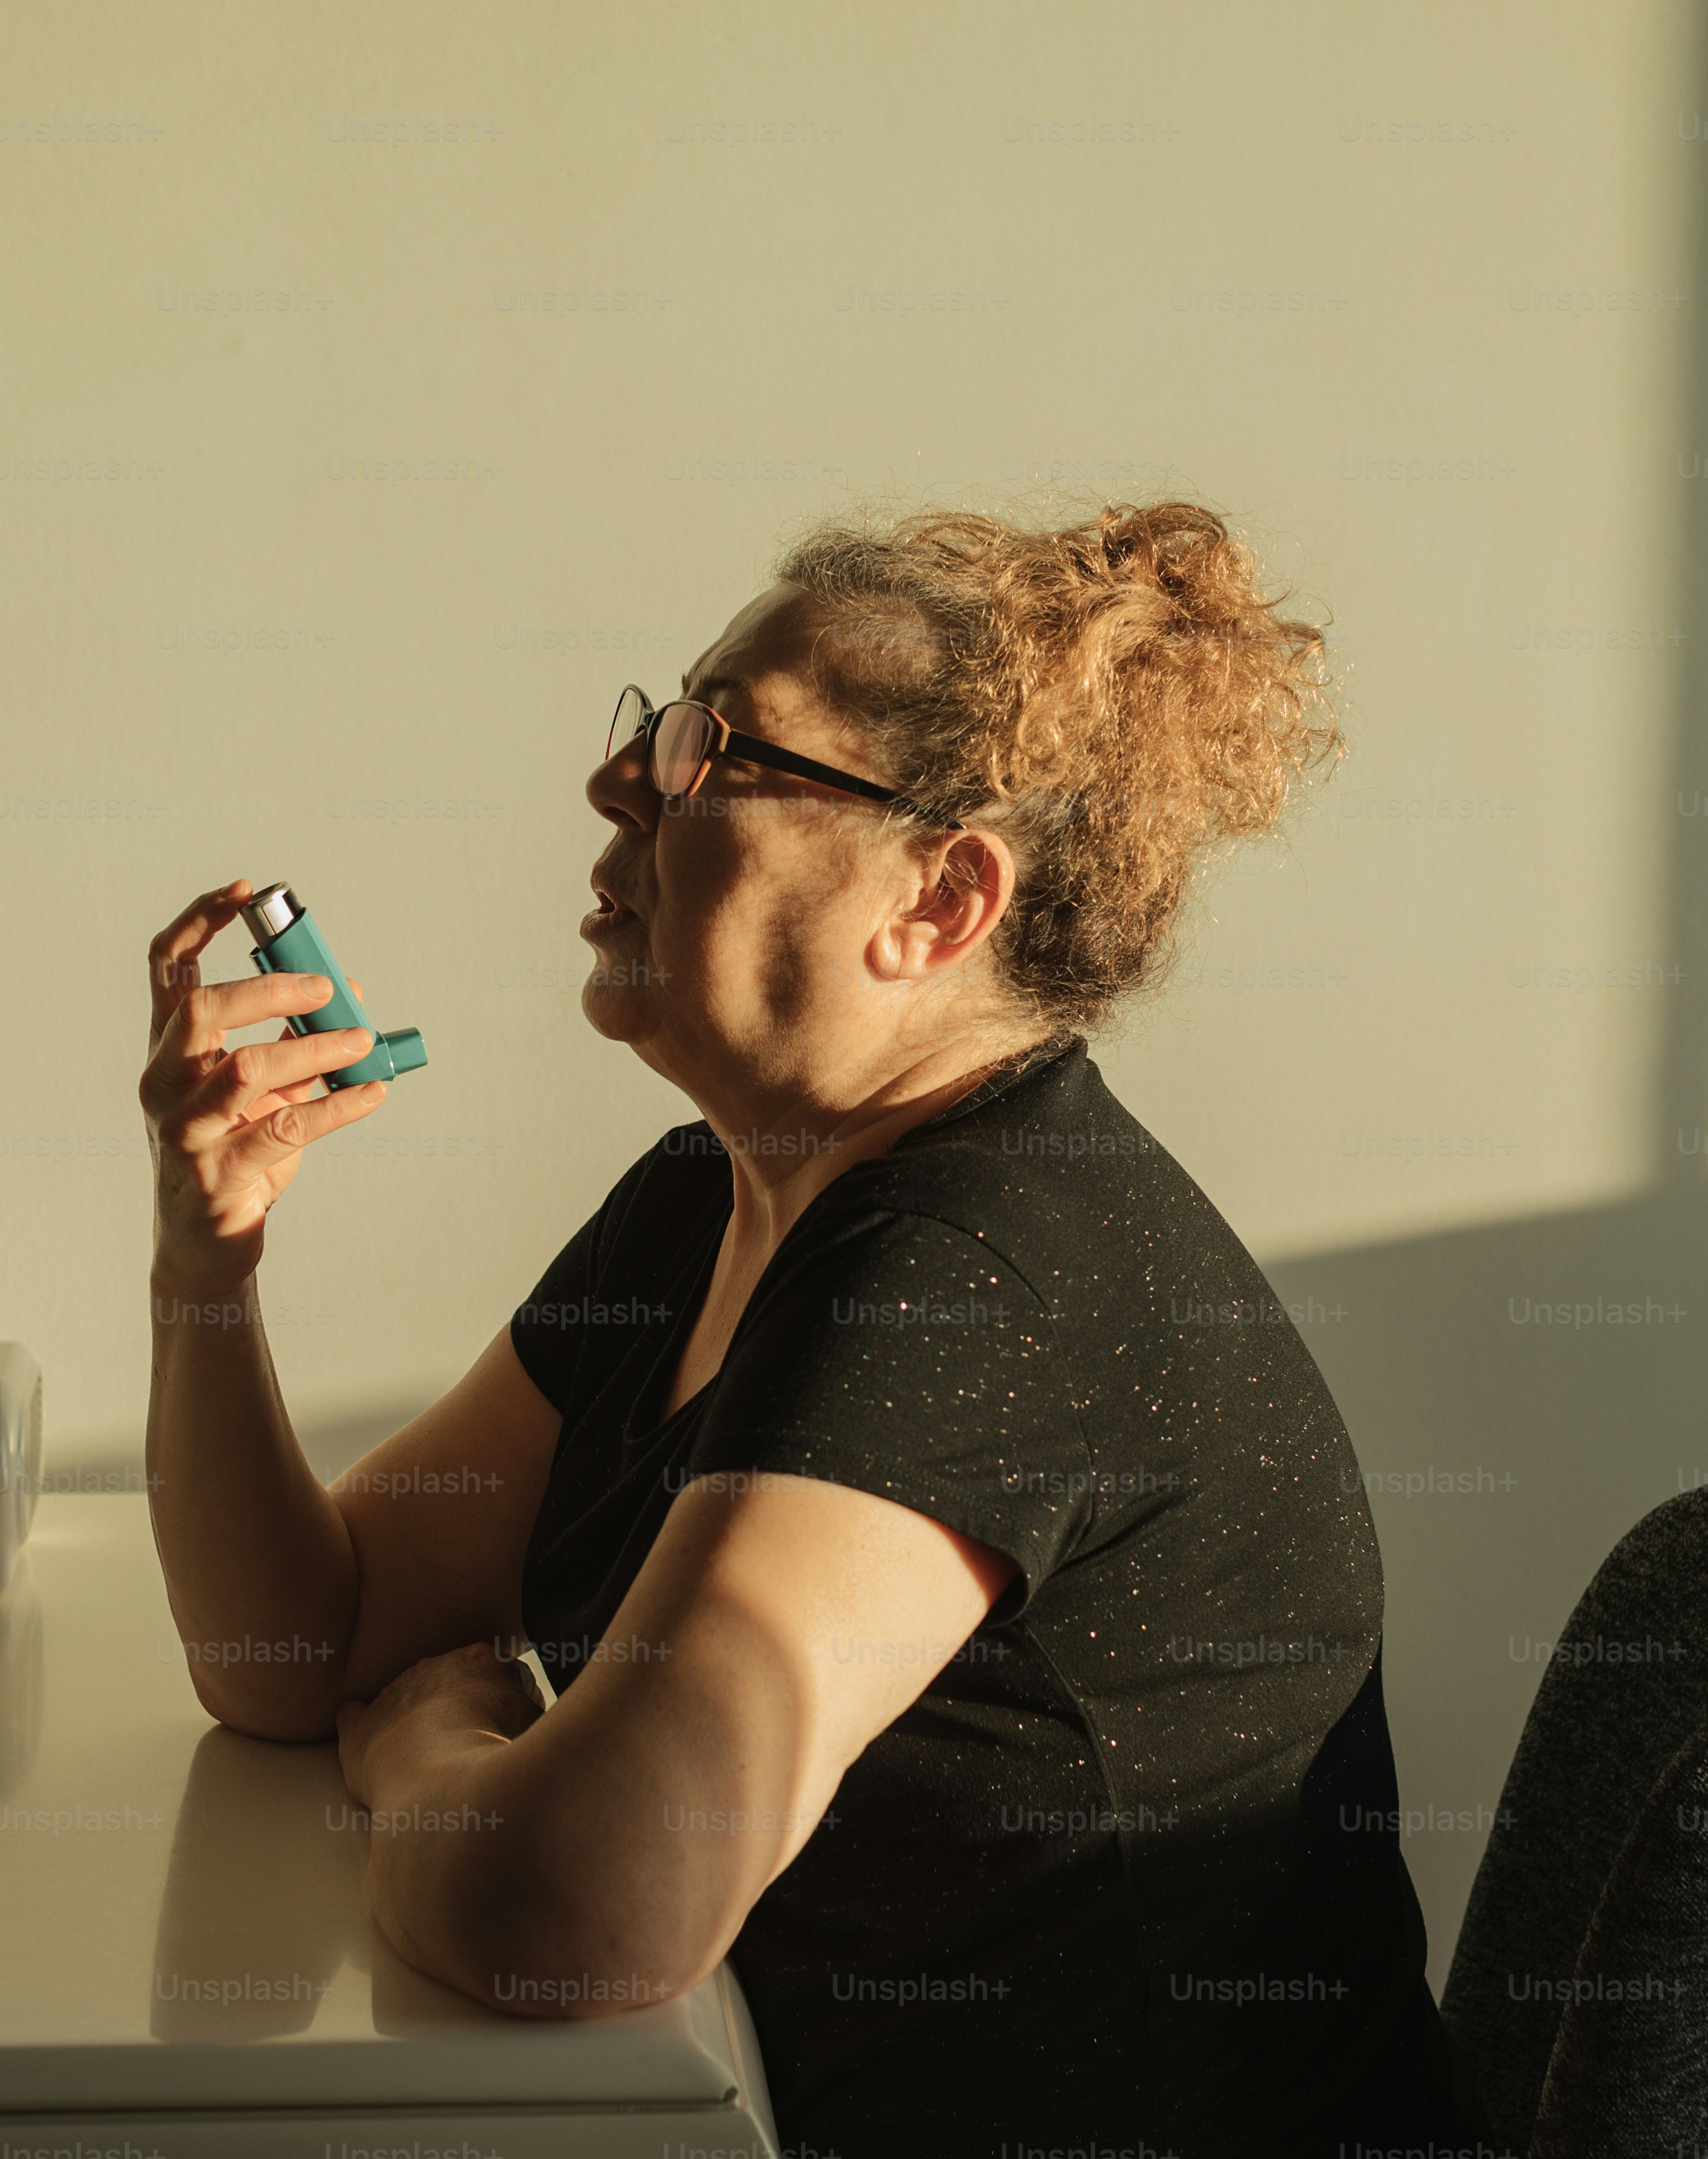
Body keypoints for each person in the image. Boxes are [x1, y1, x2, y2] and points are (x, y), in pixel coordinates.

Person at [138, 501, 1484, 2153]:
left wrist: (431, 1751)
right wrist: (208, 1267)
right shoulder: (703, 1203)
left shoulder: (970, 1278)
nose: (620, 780)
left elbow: (571, 1916)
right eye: (656, 725)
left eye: (714, 751)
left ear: (936, 902)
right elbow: (303, 1647)